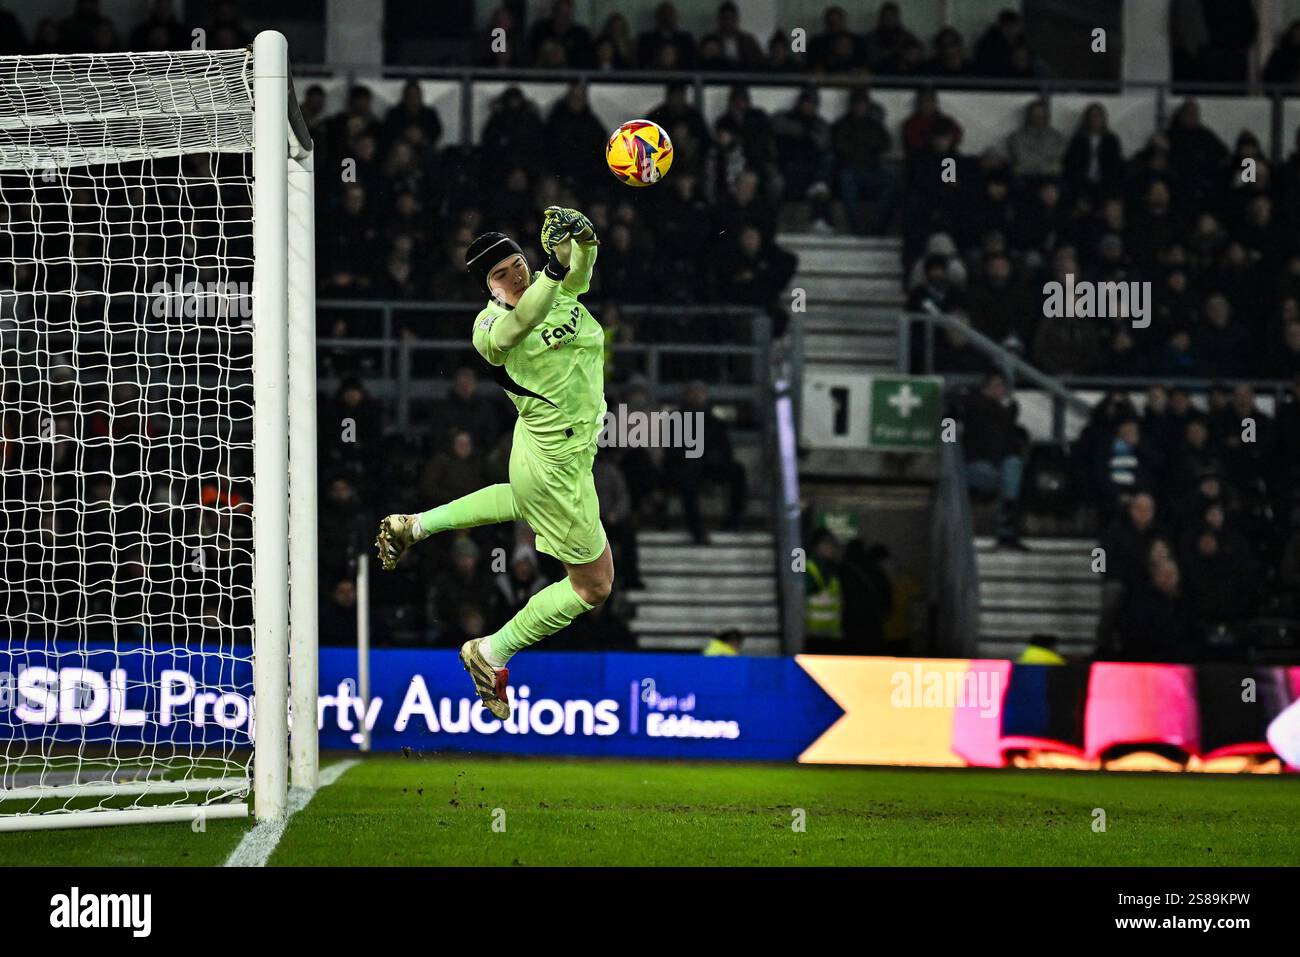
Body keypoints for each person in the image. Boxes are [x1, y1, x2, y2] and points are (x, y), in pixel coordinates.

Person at [375, 208, 611, 720]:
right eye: (501, 273)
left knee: (517, 500)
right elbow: (519, 324)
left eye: (518, 262)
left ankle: (415, 525)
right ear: (487, 287)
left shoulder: (557, 291)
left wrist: (585, 242)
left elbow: (579, 273)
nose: (515, 274)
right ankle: (493, 651)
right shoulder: (487, 328)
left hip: (544, 448)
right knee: (594, 585)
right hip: (557, 463)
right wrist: (553, 267)